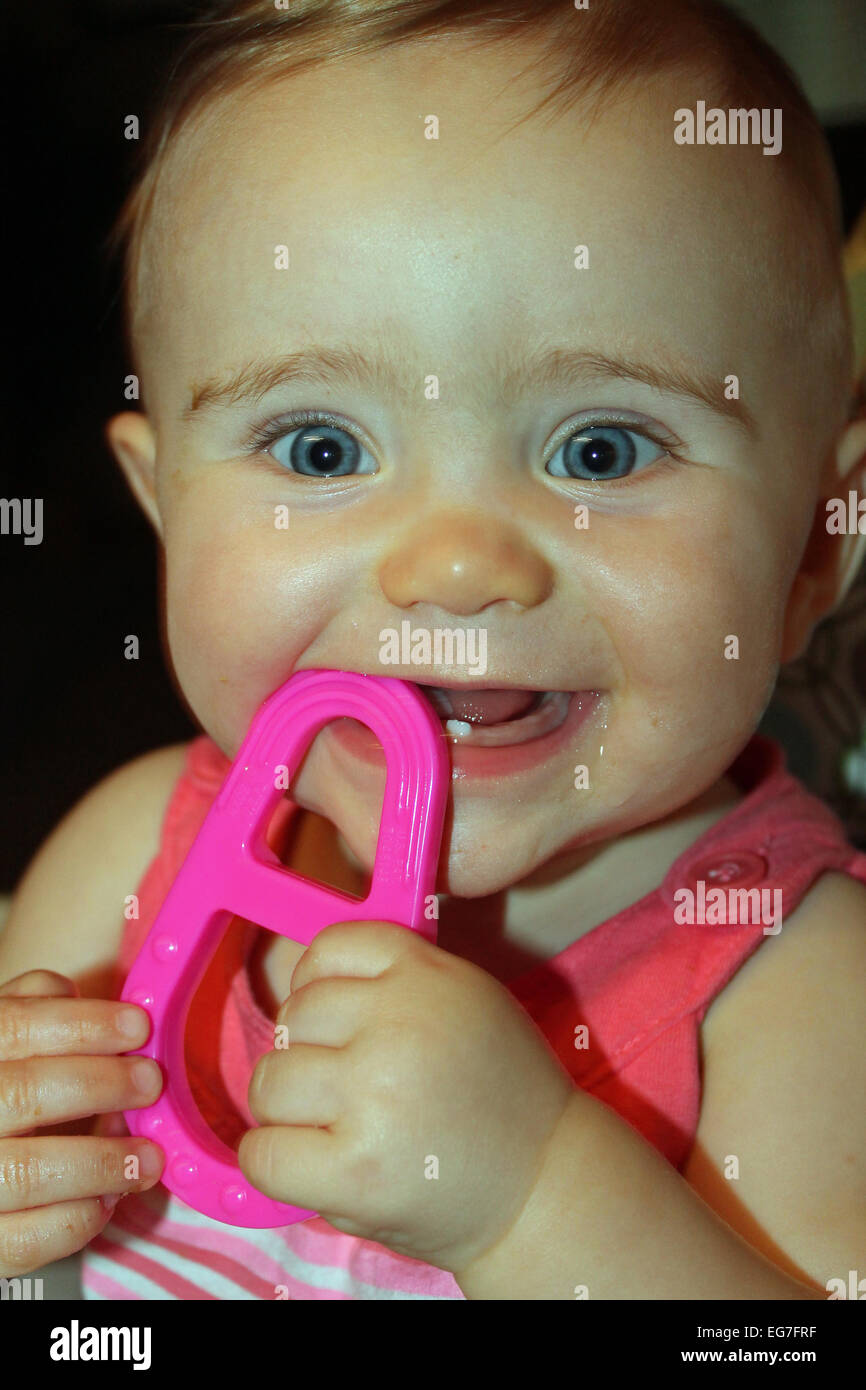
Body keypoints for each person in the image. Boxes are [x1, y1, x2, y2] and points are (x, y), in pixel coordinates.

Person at [1, 0, 864, 1300]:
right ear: (164, 508)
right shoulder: (128, 858)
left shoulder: (796, 989)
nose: (453, 564)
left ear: (810, 546)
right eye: (320, 450)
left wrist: (530, 1198)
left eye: (600, 450)